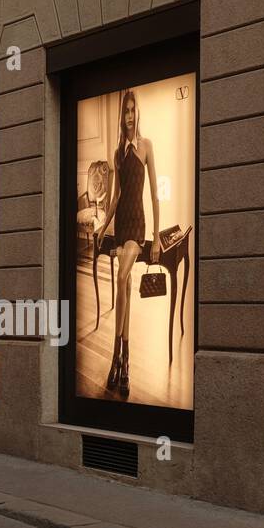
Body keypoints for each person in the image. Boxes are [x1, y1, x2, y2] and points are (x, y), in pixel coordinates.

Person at [99, 89, 161, 399]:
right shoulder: (117, 153)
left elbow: (153, 194)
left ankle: (114, 358)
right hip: (121, 223)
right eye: (126, 110)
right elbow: (116, 196)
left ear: (138, 114)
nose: (130, 115)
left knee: (122, 277)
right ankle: (126, 360)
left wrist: (158, 235)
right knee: (123, 289)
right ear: (122, 116)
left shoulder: (147, 146)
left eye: (133, 110)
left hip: (138, 224)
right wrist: (103, 226)